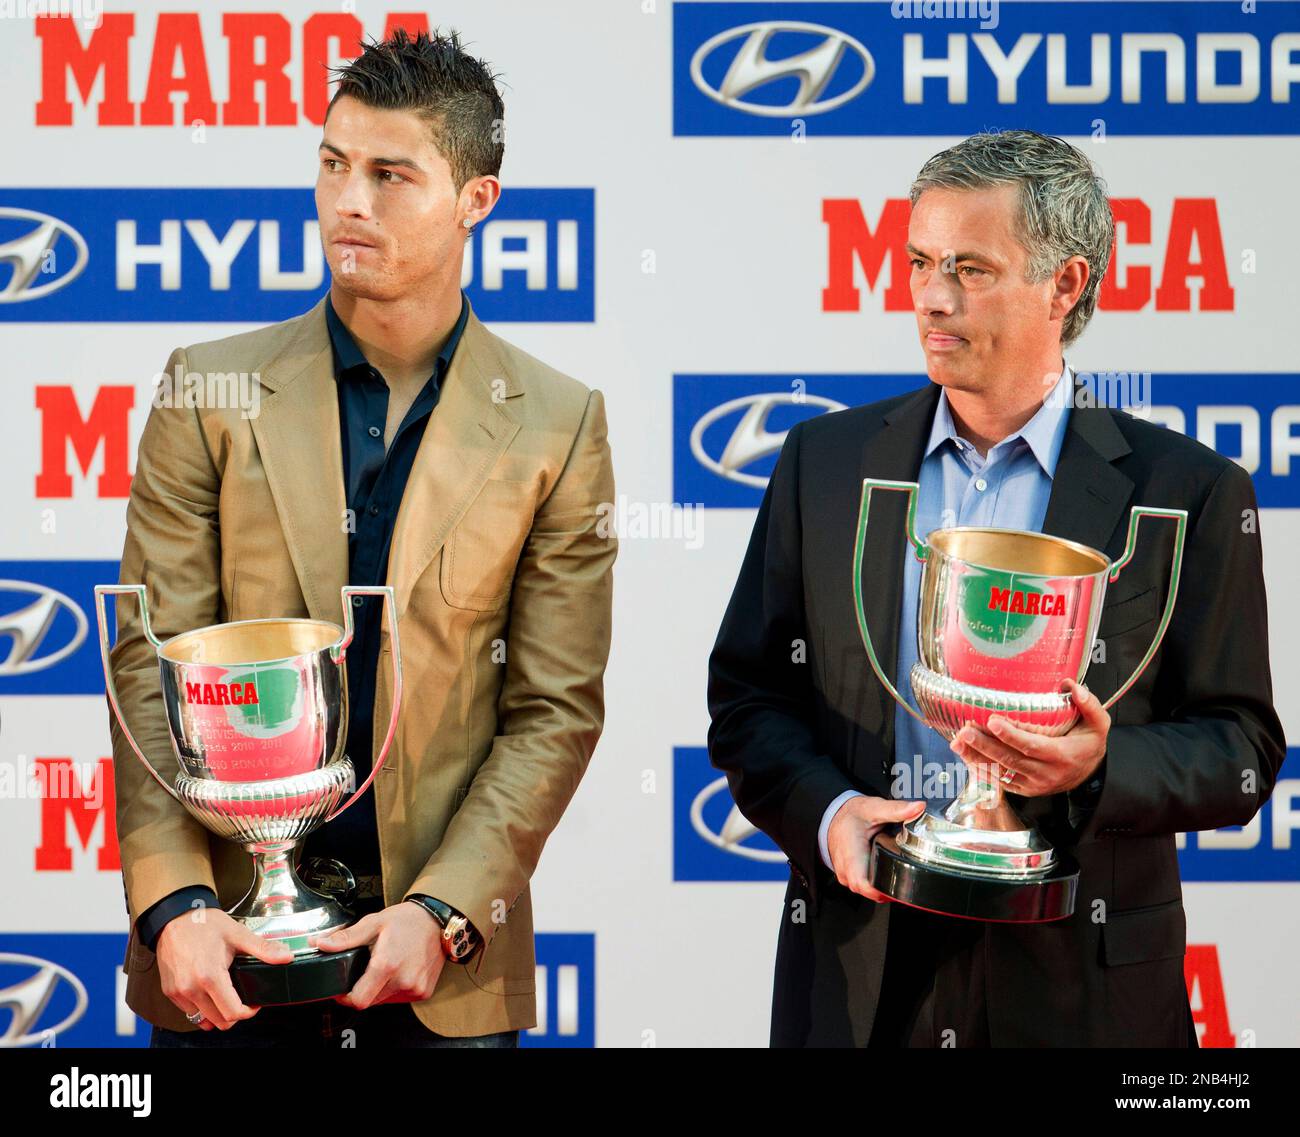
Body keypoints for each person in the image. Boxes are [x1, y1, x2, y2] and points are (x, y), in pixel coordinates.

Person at [707, 130, 1284, 1047]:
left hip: (1084, 995)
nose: (933, 298)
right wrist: (830, 814)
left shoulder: (1187, 491)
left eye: (971, 269)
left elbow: (1239, 745)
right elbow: (748, 700)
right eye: (920, 262)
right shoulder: (826, 466)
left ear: (1066, 284)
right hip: (862, 983)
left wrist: (1098, 767)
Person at [107, 28, 617, 1047]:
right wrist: (172, 906)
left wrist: (446, 911)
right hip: (222, 965)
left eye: (392, 175)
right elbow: (146, 666)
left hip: (436, 973)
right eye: (334, 164)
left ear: (477, 200)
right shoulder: (207, 389)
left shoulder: (558, 424)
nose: (349, 202)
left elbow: (551, 709)